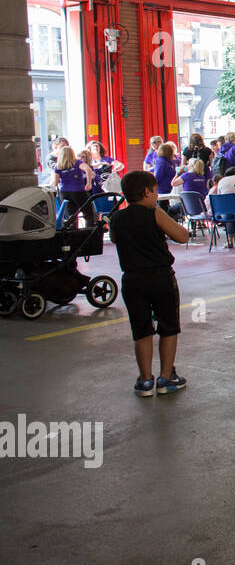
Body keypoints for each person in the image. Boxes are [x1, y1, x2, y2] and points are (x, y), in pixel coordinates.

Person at [109, 170, 189, 397]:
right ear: (147, 192)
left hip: (132, 280)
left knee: (141, 329)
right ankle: (166, 377)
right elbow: (182, 236)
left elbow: (115, 239)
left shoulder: (117, 217)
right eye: (154, 192)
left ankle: (145, 380)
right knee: (168, 326)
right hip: (160, 277)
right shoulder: (154, 213)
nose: (156, 196)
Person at [54, 145, 93, 229]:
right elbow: (88, 169)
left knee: (71, 217)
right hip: (78, 191)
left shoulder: (58, 166)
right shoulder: (77, 162)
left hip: (64, 193)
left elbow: (55, 182)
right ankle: (89, 233)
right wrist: (88, 183)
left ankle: (74, 236)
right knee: (88, 214)